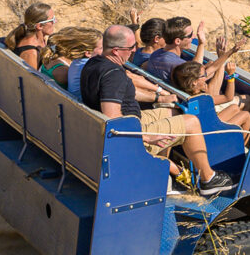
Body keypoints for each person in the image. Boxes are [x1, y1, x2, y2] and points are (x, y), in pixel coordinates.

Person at [80, 26, 231, 197]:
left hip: (129, 121)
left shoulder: (96, 62)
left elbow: (123, 91)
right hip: (127, 138)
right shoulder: (112, 74)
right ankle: (208, 178)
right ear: (116, 50)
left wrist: (159, 98)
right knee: (191, 122)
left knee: (173, 112)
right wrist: (147, 137)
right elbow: (113, 120)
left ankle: (159, 175)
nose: (134, 51)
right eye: (130, 48)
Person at [170, 58, 250, 133]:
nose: (206, 77)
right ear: (194, 82)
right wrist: (231, 76)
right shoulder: (202, 99)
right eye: (204, 76)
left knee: (234, 108)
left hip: (204, 125)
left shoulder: (185, 93)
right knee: (246, 115)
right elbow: (228, 97)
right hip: (211, 132)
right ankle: (243, 146)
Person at [4, 3, 56, 69]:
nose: (55, 22)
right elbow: (32, 79)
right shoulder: (30, 54)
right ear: (39, 26)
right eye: (52, 20)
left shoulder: (41, 39)